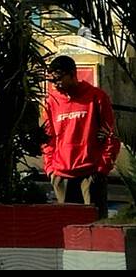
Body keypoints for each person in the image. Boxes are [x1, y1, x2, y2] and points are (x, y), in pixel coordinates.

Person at [43, 55, 120, 217]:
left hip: (90, 175)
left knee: (95, 229)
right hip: (62, 175)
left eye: (58, 79)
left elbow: (111, 136)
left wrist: (101, 169)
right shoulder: (51, 102)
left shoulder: (96, 97)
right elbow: (48, 138)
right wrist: (50, 169)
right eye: (52, 81)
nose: (55, 85)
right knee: (69, 230)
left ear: (72, 74)